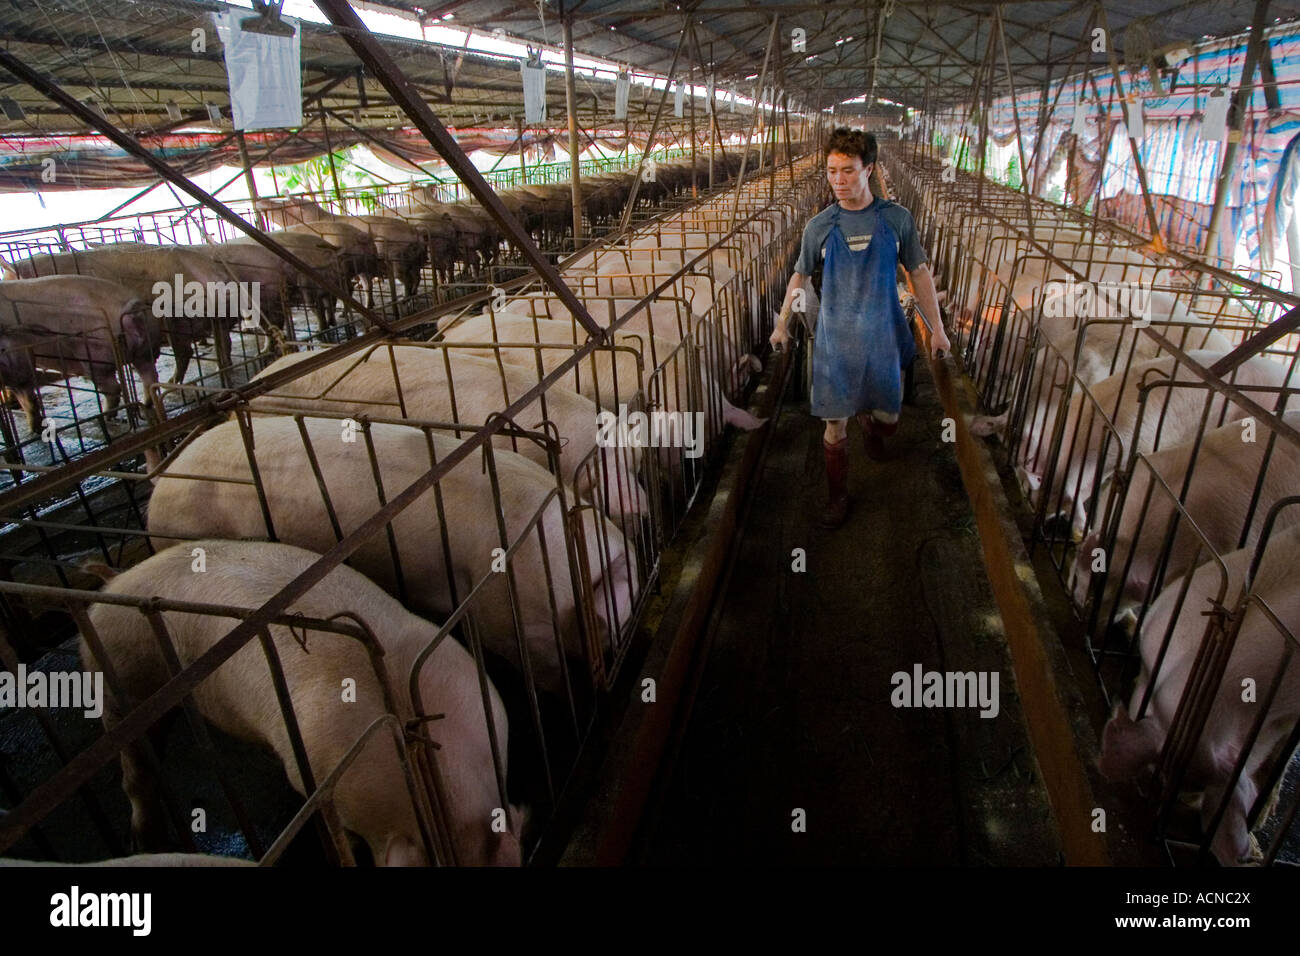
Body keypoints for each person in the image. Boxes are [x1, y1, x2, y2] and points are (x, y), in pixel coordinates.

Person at [769, 127, 949, 530]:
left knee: (888, 419)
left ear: (869, 169)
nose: (838, 180)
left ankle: (873, 423)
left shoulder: (896, 219)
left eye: (848, 171)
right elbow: (798, 278)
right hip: (836, 340)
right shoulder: (820, 226)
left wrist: (936, 329)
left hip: (883, 336)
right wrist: (783, 325)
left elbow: (918, 274)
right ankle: (837, 496)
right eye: (832, 171)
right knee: (834, 427)